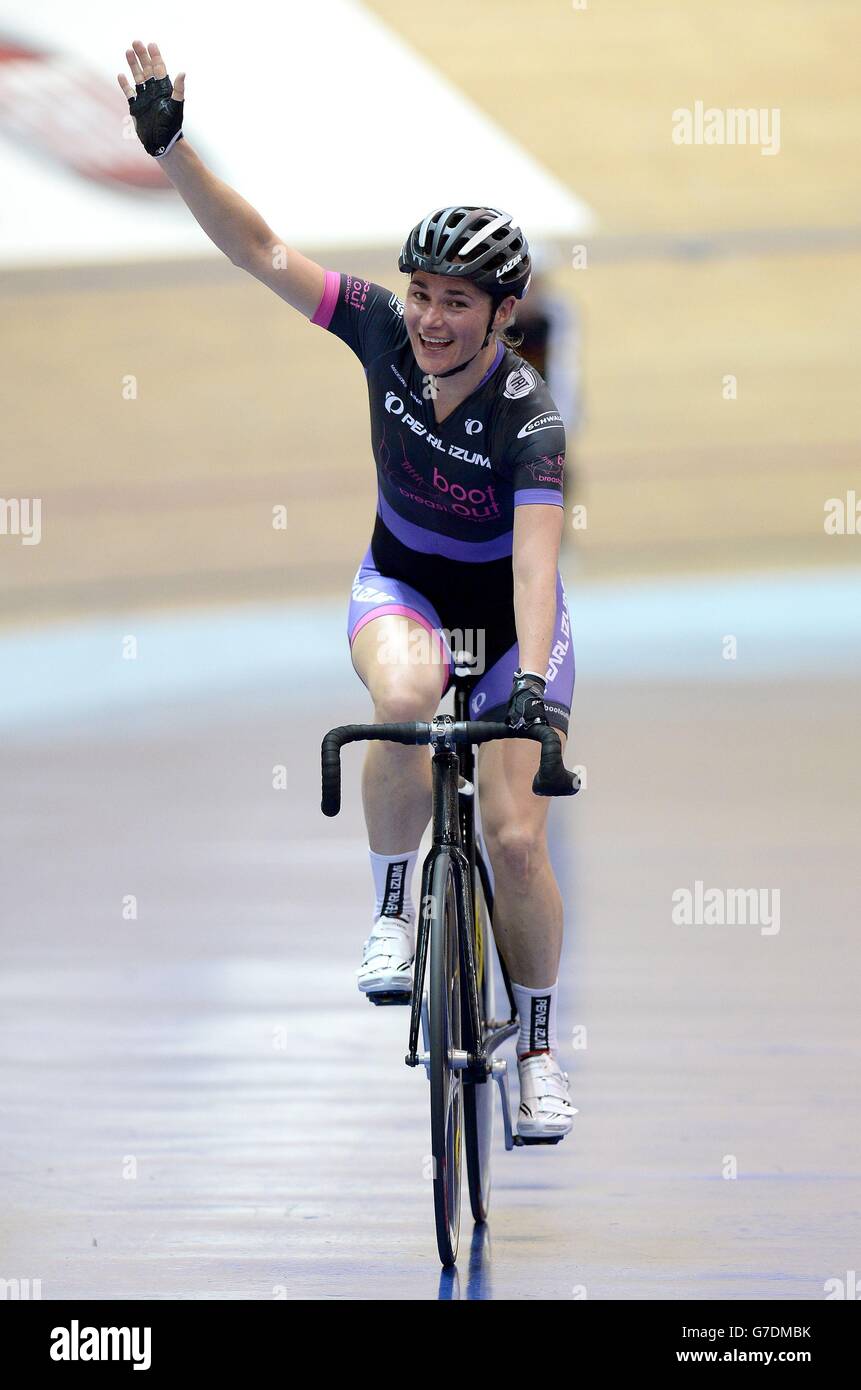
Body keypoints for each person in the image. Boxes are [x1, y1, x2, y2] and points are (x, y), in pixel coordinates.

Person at [119, 40, 576, 1140]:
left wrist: (525, 699)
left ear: (502, 315)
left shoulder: (530, 418)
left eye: (455, 302)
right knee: (408, 694)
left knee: (516, 840)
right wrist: (172, 149)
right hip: (402, 588)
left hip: (516, 623)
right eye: (420, 293)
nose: (426, 318)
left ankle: (543, 1050)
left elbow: (534, 567)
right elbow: (262, 248)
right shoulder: (374, 327)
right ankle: (389, 910)